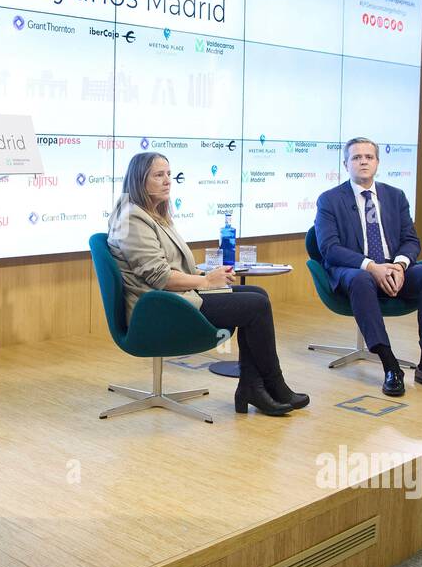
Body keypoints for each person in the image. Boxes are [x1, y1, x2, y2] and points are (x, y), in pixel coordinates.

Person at [107, 152, 309, 416]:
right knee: (256, 305)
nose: (168, 180)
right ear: (139, 181)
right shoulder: (133, 219)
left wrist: (208, 275)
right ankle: (270, 384)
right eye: (158, 175)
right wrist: (205, 280)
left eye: (169, 174)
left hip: (173, 299)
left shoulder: (152, 213)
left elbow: (170, 265)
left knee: (257, 293)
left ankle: (253, 386)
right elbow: (160, 277)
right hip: (159, 309)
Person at [313, 137, 422, 398]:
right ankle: (390, 366)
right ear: (345, 164)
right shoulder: (329, 200)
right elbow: (329, 249)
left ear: (377, 162)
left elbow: (411, 240)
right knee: (362, 280)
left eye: (369, 157)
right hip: (354, 269)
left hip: (392, 268)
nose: (363, 161)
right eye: (356, 157)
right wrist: (371, 266)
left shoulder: (395, 196)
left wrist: (399, 265)